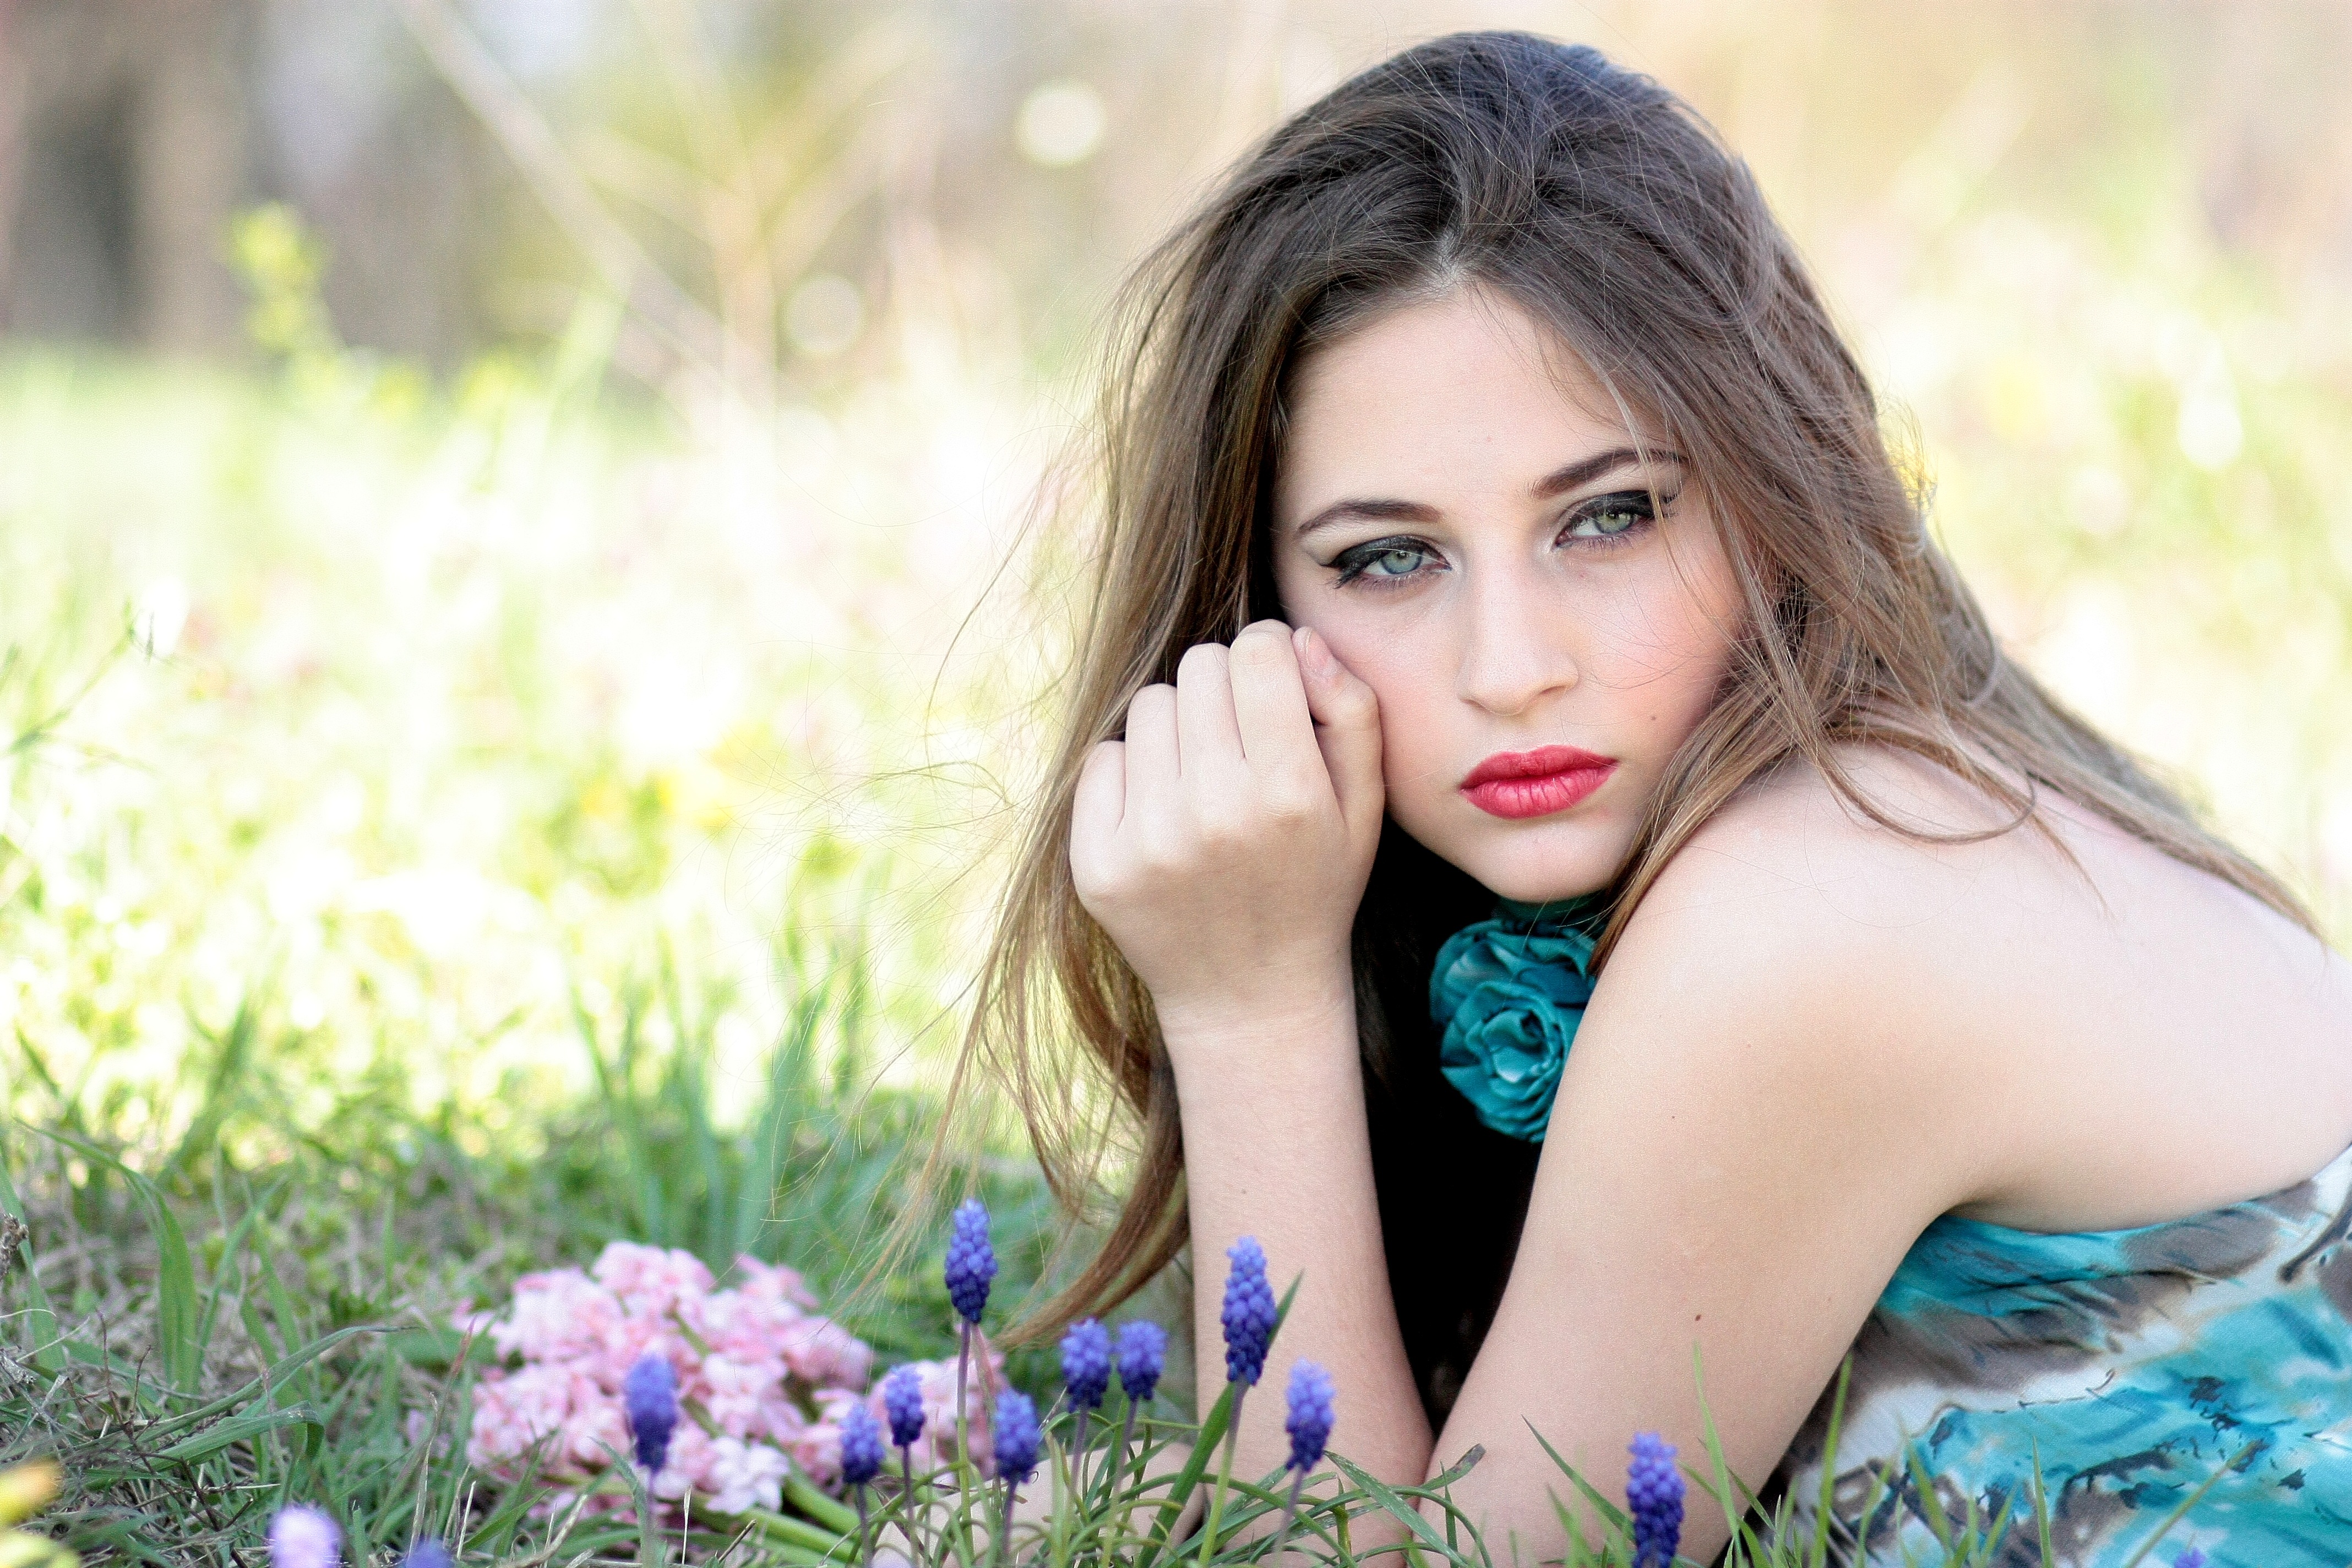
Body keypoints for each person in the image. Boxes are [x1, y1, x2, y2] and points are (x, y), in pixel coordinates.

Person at [956, 30, 2352, 1566]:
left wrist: (1249, 1010)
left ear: (1779, 496)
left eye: (1609, 518)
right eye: (1389, 558)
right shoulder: (1860, 810)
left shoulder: (1813, 911)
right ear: (1258, 609)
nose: (1512, 666)